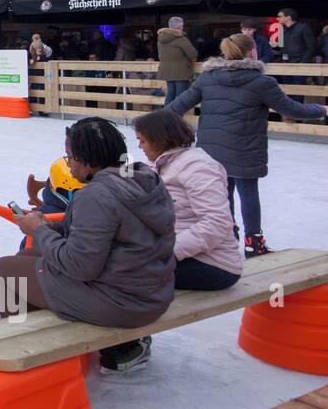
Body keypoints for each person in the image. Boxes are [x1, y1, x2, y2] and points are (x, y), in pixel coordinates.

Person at [0, 117, 177, 374]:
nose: (68, 165)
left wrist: (38, 230)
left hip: (124, 301)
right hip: (151, 289)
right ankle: (50, 339)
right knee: (29, 255)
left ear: (87, 159)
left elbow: (80, 266)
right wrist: (46, 225)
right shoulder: (143, 178)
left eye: (70, 157)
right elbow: (113, 232)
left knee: (4, 270)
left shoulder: (97, 195)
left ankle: (27, 356)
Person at [166, 32, 325, 256]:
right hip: (245, 147)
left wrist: (153, 124)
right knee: (248, 193)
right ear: (252, 52)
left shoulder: (207, 78)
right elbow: (291, 109)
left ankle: (228, 238)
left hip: (212, 148)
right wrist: (321, 110)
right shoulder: (261, 82)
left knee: (223, 194)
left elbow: (176, 107)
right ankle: (253, 244)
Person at [133, 110, 242, 291]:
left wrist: (166, 252)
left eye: (142, 141)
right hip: (179, 253)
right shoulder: (162, 165)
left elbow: (217, 222)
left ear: (159, 140)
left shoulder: (198, 167)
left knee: (122, 275)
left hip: (213, 263)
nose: (140, 147)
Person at [156, 17, 197, 104]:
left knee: (170, 95)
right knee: (181, 98)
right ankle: (176, 117)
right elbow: (193, 54)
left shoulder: (161, 38)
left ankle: (166, 116)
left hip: (167, 71)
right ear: (180, 26)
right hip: (181, 72)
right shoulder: (180, 38)